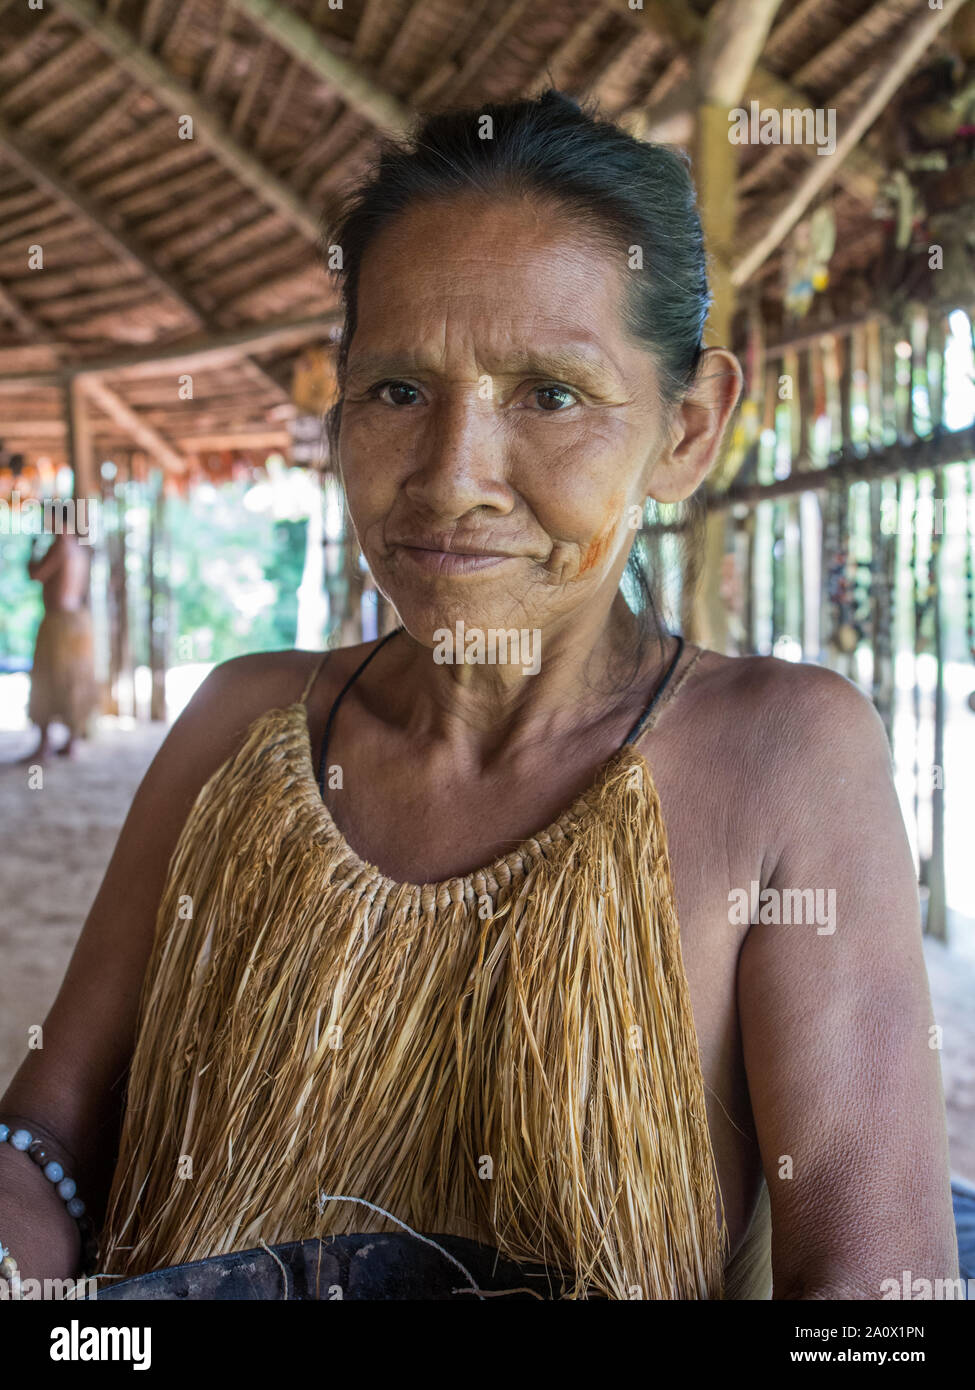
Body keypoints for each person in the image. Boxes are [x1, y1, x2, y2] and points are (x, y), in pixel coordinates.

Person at [0, 91, 958, 1300]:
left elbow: (877, 1303)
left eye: (551, 394)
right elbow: (42, 1142)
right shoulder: (239, 727)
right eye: (397, 391)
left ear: (688, 428)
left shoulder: (784, 760)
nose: (452, 478)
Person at [22, 503, 96, 760]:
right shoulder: (79, 549)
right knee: (72, 679)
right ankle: (70, 740)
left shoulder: (60, 546)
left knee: (48, 678)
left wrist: (32, 552)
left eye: (47, 517)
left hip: (58, 623)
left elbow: (36, 575)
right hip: (78, 622)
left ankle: (44, 744)